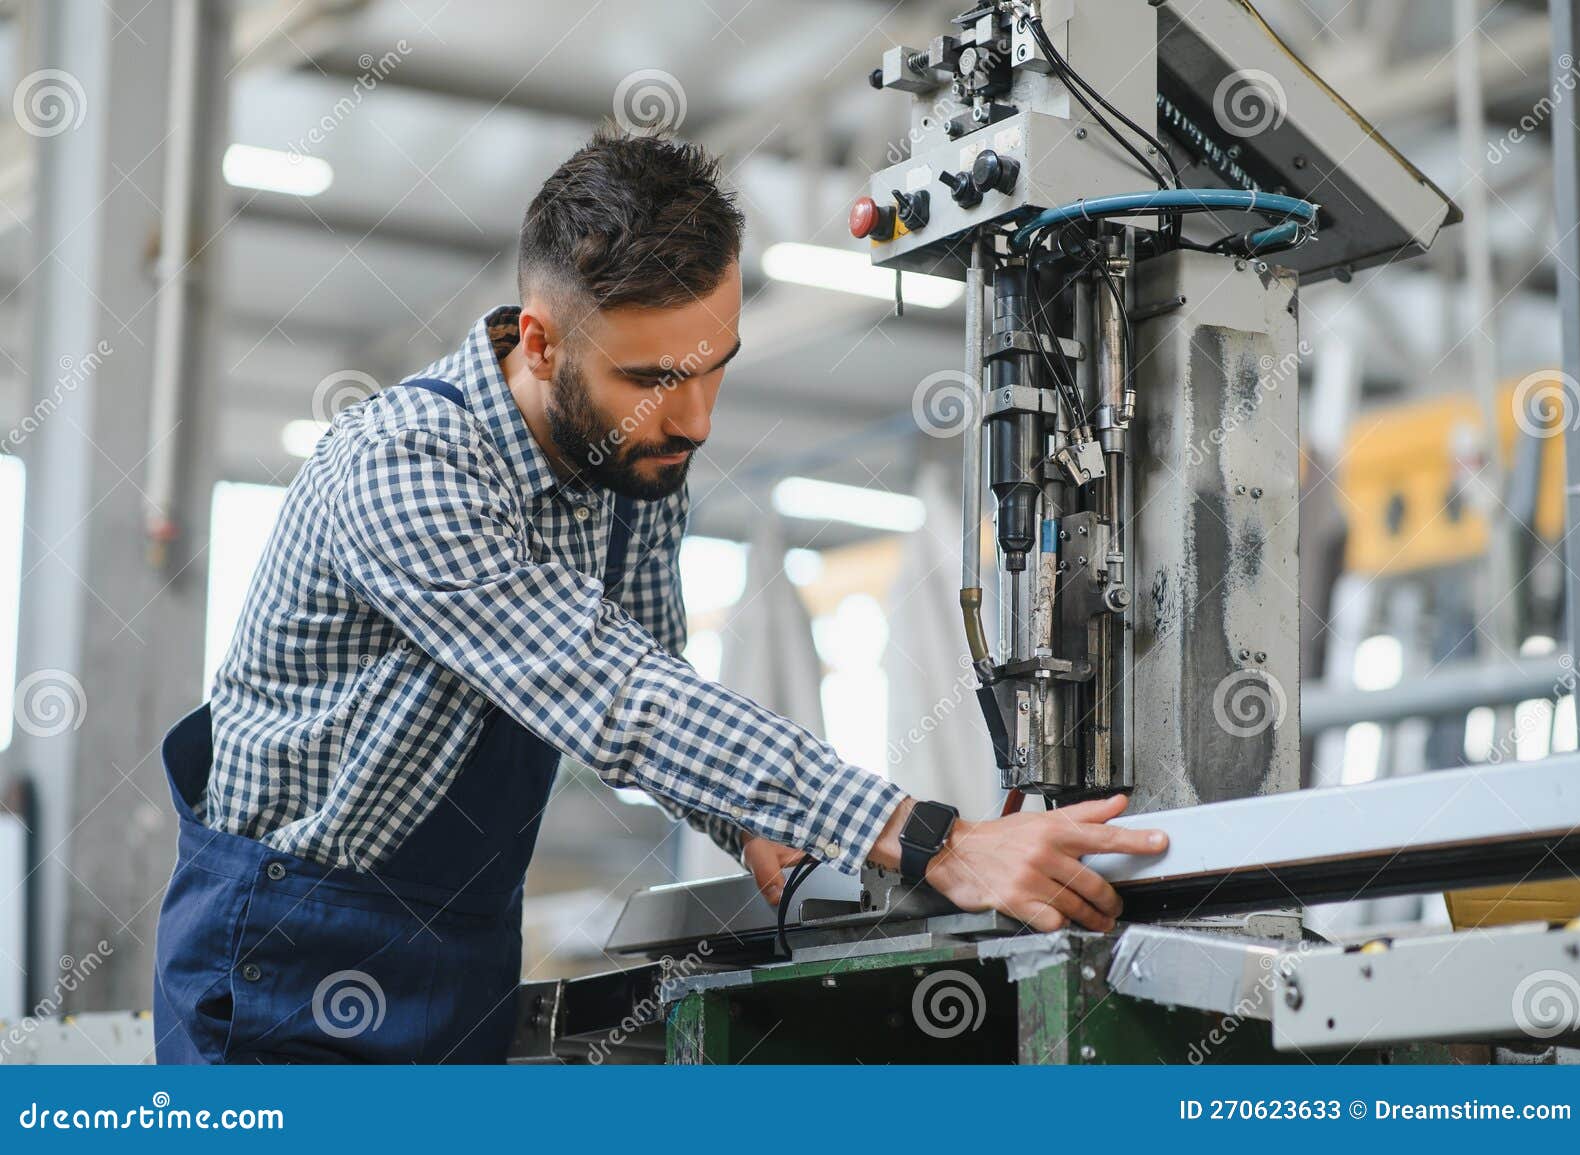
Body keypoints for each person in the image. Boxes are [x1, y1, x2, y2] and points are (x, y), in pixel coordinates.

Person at [151, 127, 1168, 1064]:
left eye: (711, 367)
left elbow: (656, 672)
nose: (693, 421)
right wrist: (932, 838)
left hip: (457, 947)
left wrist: (746, 818)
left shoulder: (632, 462)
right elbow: (615, 698)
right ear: (541, 345)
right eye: (650, 378)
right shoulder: (406, 467)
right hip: (286, 953)